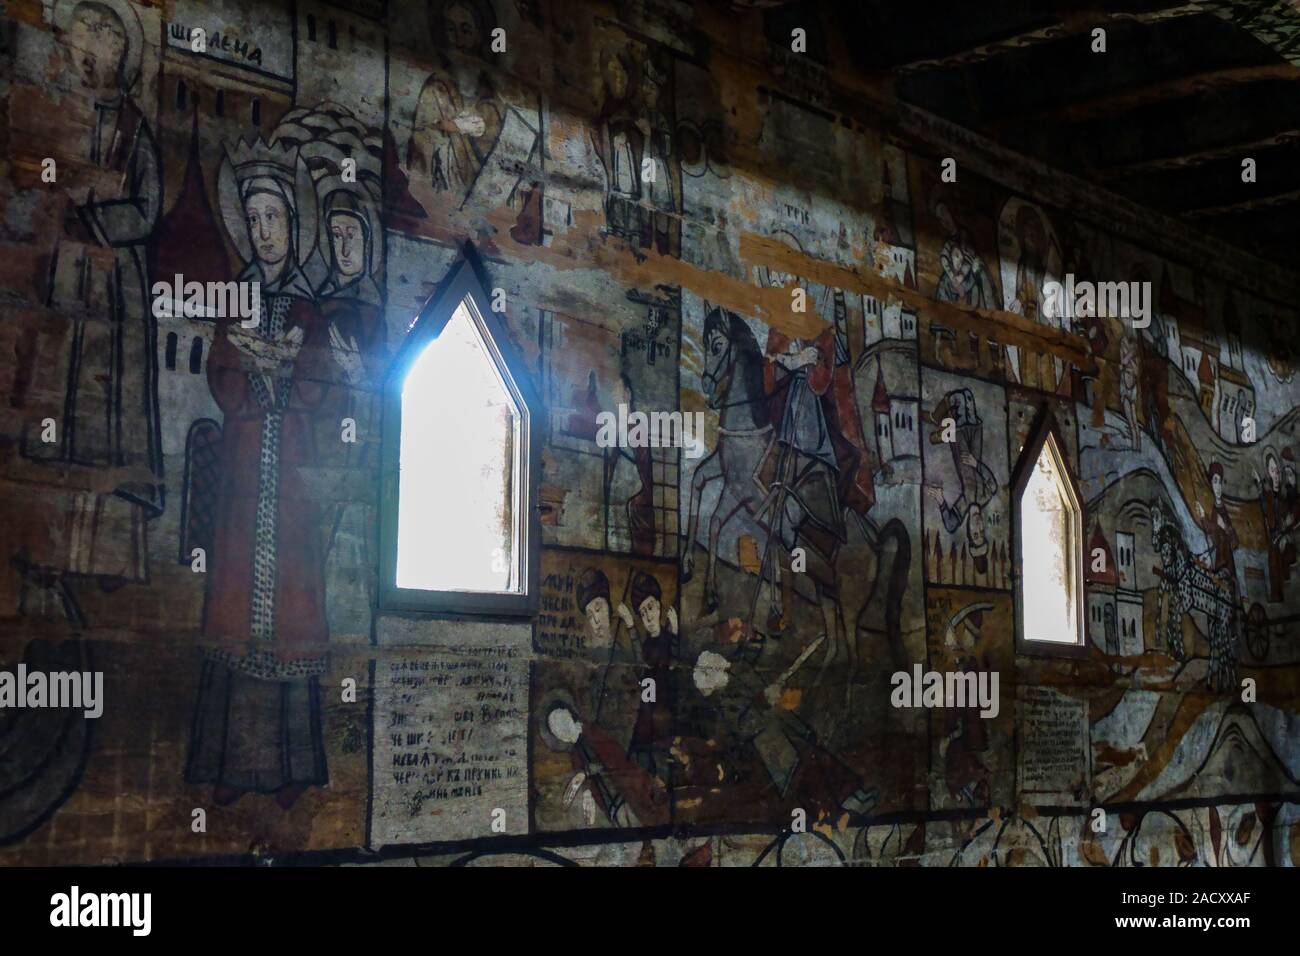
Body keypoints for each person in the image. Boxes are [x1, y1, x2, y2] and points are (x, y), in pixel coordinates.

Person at [186, 138, 336, 809]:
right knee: (234, 613)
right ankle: (224, 767)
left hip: (294, 479)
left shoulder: (308, 311)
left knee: (293, 620)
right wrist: (253, 370)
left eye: (276, 218)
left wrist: (286, 372)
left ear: (293, 226)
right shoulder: (237, 300)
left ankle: (292, 772)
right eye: (255, 220)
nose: (265, 231)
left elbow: (320, 382)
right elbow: (222, 372)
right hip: (248, 477)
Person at [19, 0, 163, 593]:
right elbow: (36, 184)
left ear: (122, 54)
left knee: (110, 424)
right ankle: (50, 552)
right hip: (64, 285)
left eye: (101, 39)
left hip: (115, 293)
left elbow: (147, 210)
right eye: (79, 39)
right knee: (61, 415)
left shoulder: (135, 128)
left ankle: (108, 561)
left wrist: (93, 220)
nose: (89, 50)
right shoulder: (60, 116)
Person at [617, 572, 676, 781]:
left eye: (650, 607)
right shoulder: (647, 645)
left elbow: (673, 671)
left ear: (659, 606)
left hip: (666, 716)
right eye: (643, 612)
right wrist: (630, 625)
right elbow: (642, 668)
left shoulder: (669, 639)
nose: (648, 616)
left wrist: (674, 634)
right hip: (649, 713)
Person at [1255, 450, 1295, 602]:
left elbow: (1289, 519)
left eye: (1277, 470)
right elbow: (1266, 511)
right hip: (1274, 547)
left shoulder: (1284, 497)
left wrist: (1286, 532)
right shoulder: (1269, 497)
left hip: (1284, 543)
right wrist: (1259, 485)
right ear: (1269, 473)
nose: (1276, 474)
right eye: (1272, 470)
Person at [1196, 462, 1239, 590]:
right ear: (1211, 484)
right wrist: (1203, 516)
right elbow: (1213, 533)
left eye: (1219, 482)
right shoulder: (1214, 509)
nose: (1218, 486)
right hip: (1218, 562)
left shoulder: (1223, 510)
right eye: (1215, 481)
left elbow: (1234, 541)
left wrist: (1224, 527)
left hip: (1226, 563)